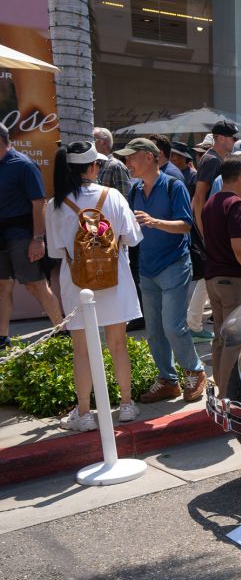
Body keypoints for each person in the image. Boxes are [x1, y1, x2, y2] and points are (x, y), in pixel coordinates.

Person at [46, 141, 143, 430]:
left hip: (77, 284)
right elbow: (133, 237)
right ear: (91, 167)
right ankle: (126, 405)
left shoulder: (55, 204)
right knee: (118, 344)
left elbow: (55, 250)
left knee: (82, 350)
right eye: (97, 164)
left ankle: (85, 413)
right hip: (115, 280)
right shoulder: (112, 195)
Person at [119, 137, 207, 404]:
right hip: (147, 267)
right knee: (155, 330)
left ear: (148, 157)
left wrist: (154, 222)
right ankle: (168, 380)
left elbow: (185, 225)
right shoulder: (134, 190)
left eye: (131, 157)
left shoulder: (173, 185)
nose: (127, 163)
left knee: (173, 326)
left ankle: (195, 371)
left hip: (173, 265)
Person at [0, 123, 64, 349]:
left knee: (35, 285)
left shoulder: (23, 165)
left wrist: (38, 239)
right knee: (2, 285)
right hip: (2, 237)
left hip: (22, 235)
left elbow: (39, 203)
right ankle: (2, 338)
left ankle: (61, 333)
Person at [202, 155, 241, 386]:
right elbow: (240, 245)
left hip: (214, 279)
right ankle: (228, 395)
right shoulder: (236, 204)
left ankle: (221, 388)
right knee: (234, 341)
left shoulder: (211, 203)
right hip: (234, 280)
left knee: (220, 337)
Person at [192, 119, 239, 235]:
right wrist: (204, 233)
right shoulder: (211, 160)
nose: (237, 142)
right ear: (221, 138)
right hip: (210, 226)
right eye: (234, 138)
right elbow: (199, 197)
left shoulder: (217, 158)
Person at [93, 127, 131, 198]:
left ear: (104, 143)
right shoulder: (94, 165)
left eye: (94, 139)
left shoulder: (116, 166)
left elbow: (125, 198)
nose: (91, 143)